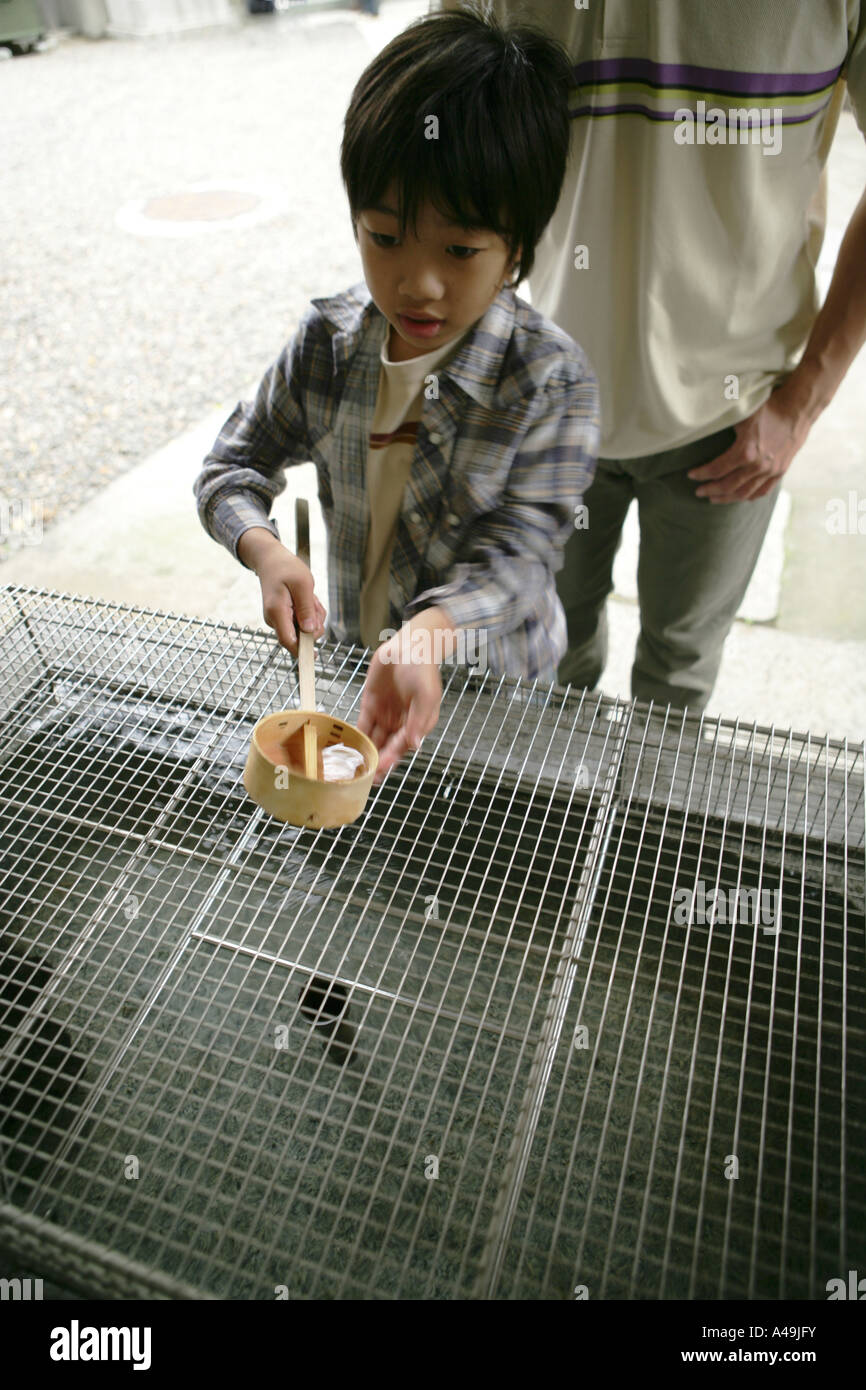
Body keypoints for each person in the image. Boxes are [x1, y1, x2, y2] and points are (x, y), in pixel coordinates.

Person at [194, 10, 599, 781]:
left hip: (491, 693)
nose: (417, 283)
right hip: (351, 664)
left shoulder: (550, 378)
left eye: (460, 250)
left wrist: (426, 635)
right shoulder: (327, 346)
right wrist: (266, 549)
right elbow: (230, 468)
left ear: (520, 245)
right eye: (384, 237)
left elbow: (523, 553)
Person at [440, 0, 866, 713]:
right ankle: (556, 821)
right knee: (540, 663)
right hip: (537, 409)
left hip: (733, 419)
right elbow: (439, 149)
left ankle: (641, 827)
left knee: (677, 675)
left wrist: (801, 405)